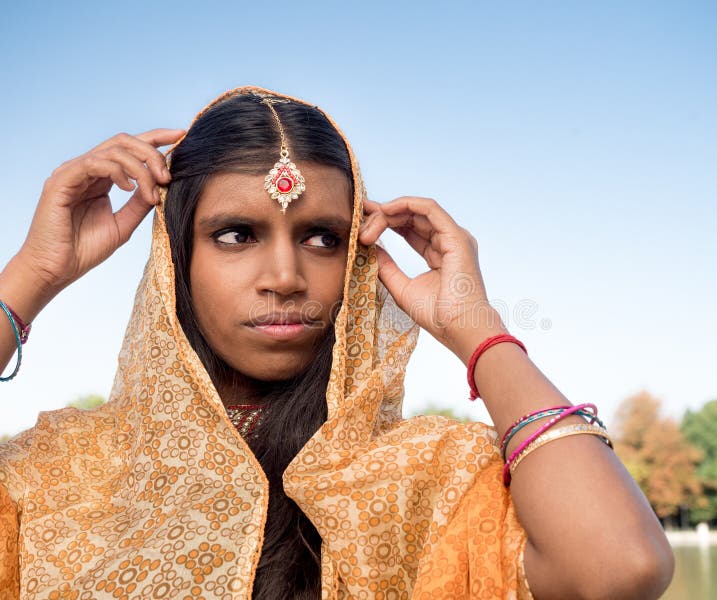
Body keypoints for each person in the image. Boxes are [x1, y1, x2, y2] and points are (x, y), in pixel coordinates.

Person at [0, 85, 674, 599]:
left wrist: (477, 329)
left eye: (322, 238)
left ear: (355, 260)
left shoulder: (427, 478)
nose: (287, 277)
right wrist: (31, 275)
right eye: (237, 234)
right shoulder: (63, 473)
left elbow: (622, 565)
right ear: (175, 258)